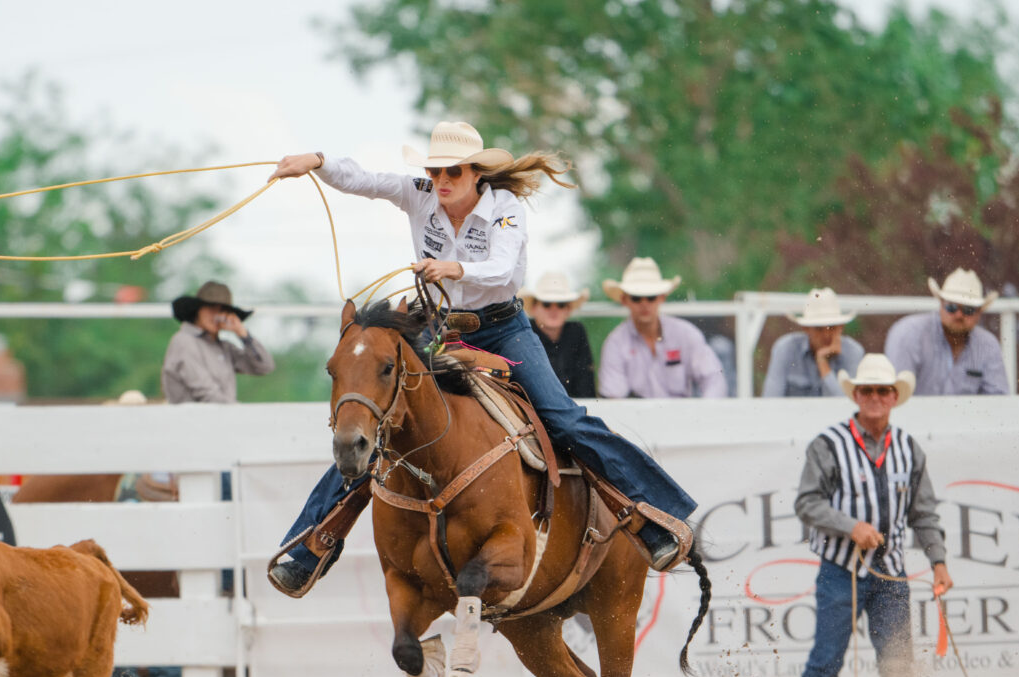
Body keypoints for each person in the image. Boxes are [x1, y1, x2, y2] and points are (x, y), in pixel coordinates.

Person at [263, 121, 698, 595]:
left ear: (475, 173)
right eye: (436, 169)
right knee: (382, 424)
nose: (442, 179)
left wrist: (456, 267)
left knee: (565, 421)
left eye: (453, 171)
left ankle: (656, 517)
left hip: (504, 328)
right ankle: (309, 549)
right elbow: (366, 181)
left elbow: (502, 268)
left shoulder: (505, 209)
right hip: (440, 327)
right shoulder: (419, 193)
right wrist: (319, 163)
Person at [780, 354, 954, 677]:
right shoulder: (828, 444)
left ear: (894, 397)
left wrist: (938, 561)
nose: (875, 398)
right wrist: (850, 526)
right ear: (856, 395)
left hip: (891, 573)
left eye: (882, 391)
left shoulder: (909, 450)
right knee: (825, 663)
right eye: (867, 391)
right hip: (841, 569)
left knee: (897, 669)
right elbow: (807, 503)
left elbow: (923, 513)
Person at [596, 257, 726, 399]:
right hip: (635, 420)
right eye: (636, 298)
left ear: (662, 297)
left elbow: (713, 379)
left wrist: (705, 413)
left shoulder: (685, 333)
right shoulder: (615, 343)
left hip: (684, 418)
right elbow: (614, 397)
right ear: (624, 300)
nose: (644, 304)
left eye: (651, 297)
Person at [884, 268, 1009, 395]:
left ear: (979, 313)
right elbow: (895, 395)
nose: (959, 315)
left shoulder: (988, 345)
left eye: (968, 310)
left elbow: (998, 400)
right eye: (951, 307)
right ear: (941, 304)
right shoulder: (909, 333)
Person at [161, 282, 275, 403]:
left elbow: (264, 367)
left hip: (220, 418)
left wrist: (242, 333)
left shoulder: (224, 347)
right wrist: (243, 414)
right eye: (211, 308)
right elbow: (205, 393)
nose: (217, 315)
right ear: (198, 310)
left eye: (222, 310)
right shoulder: (184, 341)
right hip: (193, 419)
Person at [761, 287, 866, 397]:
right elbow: (770, 399)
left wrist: (823, 364)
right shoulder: (785, 348)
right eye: (819, 328)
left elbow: (849, 405)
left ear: (841, 327)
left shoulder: (853, 351)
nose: (826, 335)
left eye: (832, 327)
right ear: (805, 328)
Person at [520, 271, 595, 398]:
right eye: (546, 304)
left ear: (568, 309)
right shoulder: (523, 334)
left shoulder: (577, 332)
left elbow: (586, 384)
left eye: (561, 304)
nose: (554, 310)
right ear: (534, 308)